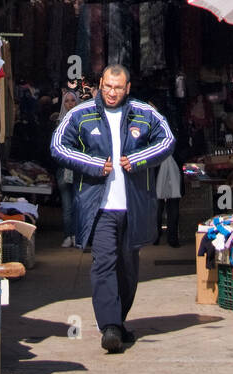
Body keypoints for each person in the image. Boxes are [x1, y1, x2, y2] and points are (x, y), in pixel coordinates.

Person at [50, 63, 174, 353]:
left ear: (127, 88)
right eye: (107, 86)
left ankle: (119, 321)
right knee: (103, 264)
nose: (112, 92)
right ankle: (109, 327)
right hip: (101, 207)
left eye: (118, 88)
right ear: (100, 85)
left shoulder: (144, 113)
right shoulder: (81, 114)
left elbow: (167, 140)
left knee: (129, 269)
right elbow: (58, 146)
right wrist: (93, 165)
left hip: (133, 205)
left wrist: (140, 158)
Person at [52, 89, 79, 246]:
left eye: (72, 100)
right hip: (64, 169)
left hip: (78, 168)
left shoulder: (81, 121)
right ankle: (69, 235)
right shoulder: (60, 124)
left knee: (78, 204)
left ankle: (76, 235)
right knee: (68, 205)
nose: (70, 104)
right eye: (67, 101)